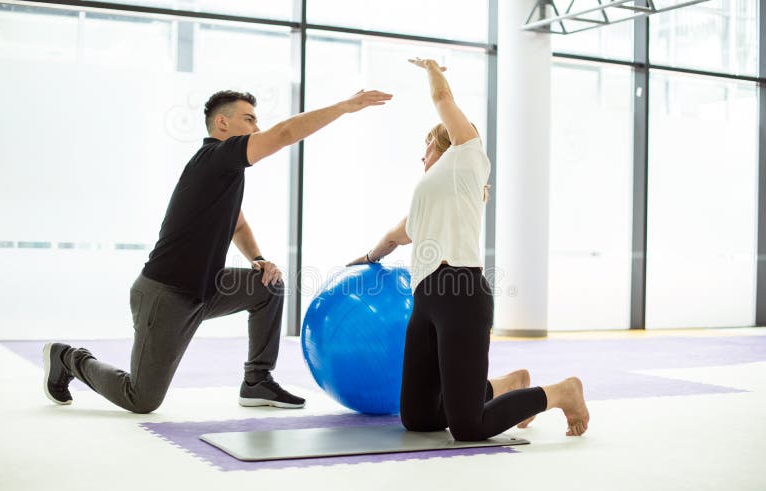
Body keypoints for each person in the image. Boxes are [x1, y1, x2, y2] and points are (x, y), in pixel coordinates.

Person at [43, 88, 392, 414]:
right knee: (142, 399)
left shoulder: (226, 172)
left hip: (207, 288)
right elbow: (284, 135)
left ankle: (257, 380)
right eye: (249, 119)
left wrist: (258, 260)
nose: (258, 127)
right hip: (166, 294)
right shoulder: (215, 157)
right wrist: (343, 107)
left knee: (269, 286)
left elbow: (238, 224)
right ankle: (69, 358)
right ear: (222, 123)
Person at [348, 58, 589, 440]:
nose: (421, 156)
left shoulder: (467, 158)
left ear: (445, 144)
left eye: (426, 147)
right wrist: (365, 259)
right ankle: (507, 384)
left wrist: (431, 68)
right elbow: (395, 236)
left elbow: (443, 98)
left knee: (467, 426)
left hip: (461, 292)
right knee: (418, 418)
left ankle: (560, 392)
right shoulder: (428, 200)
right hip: (425, 301)